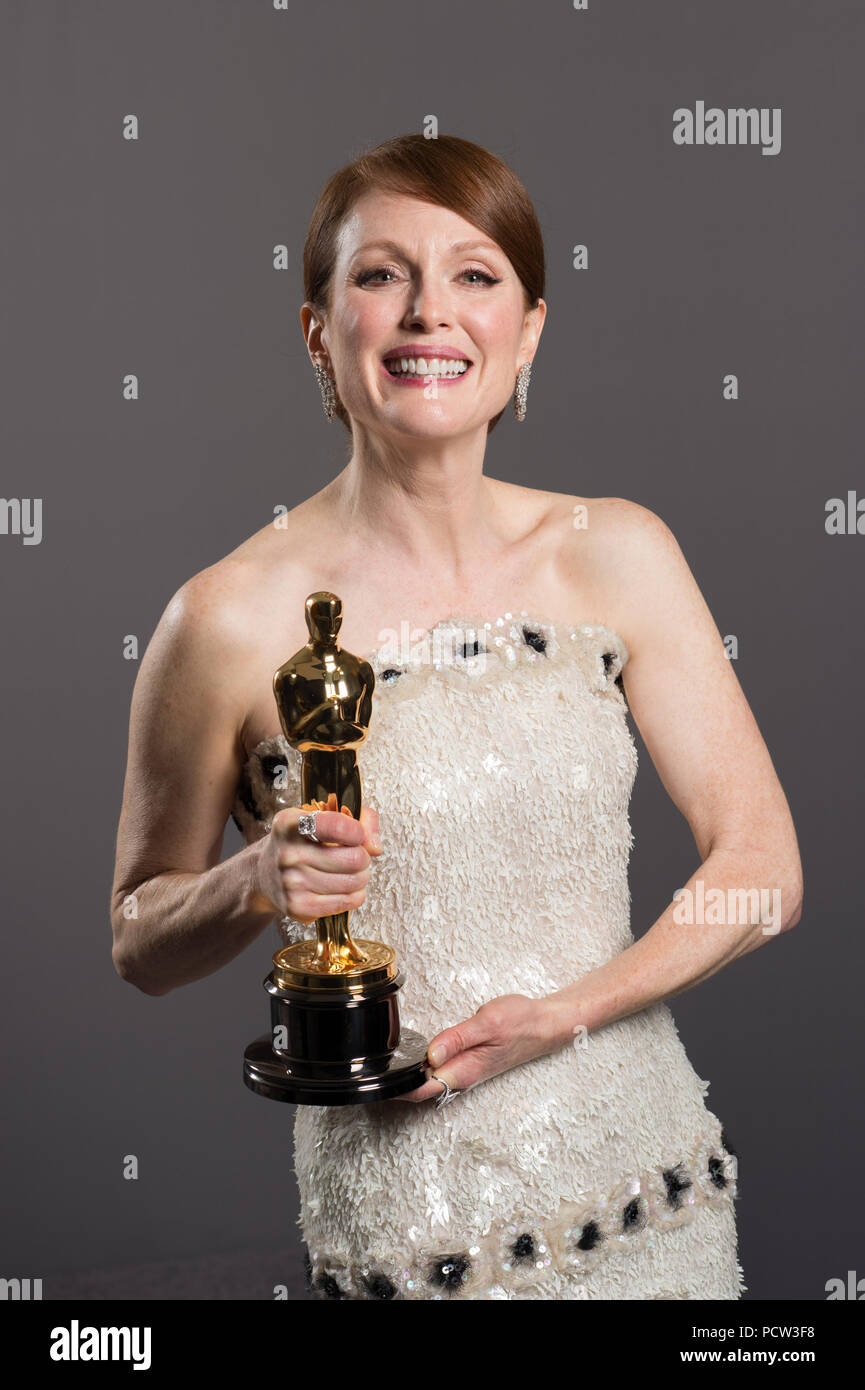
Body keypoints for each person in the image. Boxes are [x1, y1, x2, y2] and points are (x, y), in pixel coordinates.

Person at [110, 133, 803, 1300]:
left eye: (475, 276)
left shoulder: (617, 554)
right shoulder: (221, 619)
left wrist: (566, 1016)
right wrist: (247, 883)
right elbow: (138, 935)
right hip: (409, 1230)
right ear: (319, 331)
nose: (431, 313)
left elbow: (765, 867)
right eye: (381, 275)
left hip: (648, 1201)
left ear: (527, 329)